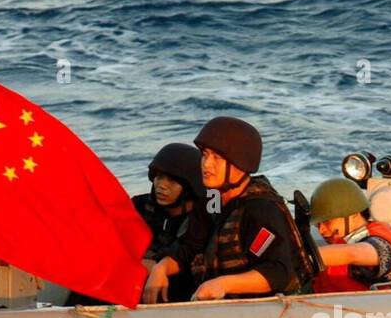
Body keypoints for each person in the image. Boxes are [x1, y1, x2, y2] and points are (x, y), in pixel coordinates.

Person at [142, 116, 316, 302]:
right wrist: (162, 267)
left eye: (216, 157)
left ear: (239, 164)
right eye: (205, 155)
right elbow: (191, 246)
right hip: (227, 305)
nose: (206, 164)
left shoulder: (260, 210)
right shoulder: (214, 198)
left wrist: (222, 284)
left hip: (278, 309)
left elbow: (277, 271)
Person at [307, 178, 391, 292]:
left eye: (327, 221)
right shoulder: (344, 242)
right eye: (318, 224)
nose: (321, 230)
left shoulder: (382, 240)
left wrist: (304, 258)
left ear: (354, 213)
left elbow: (354, 253)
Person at [134, 143, 205, 303]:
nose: (162, 185)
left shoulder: (201, 218)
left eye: (172, 181)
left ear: (189, 187)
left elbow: (188, 259)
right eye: (158, 177)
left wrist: (151, 266)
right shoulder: (140, 207)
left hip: (179, 294)